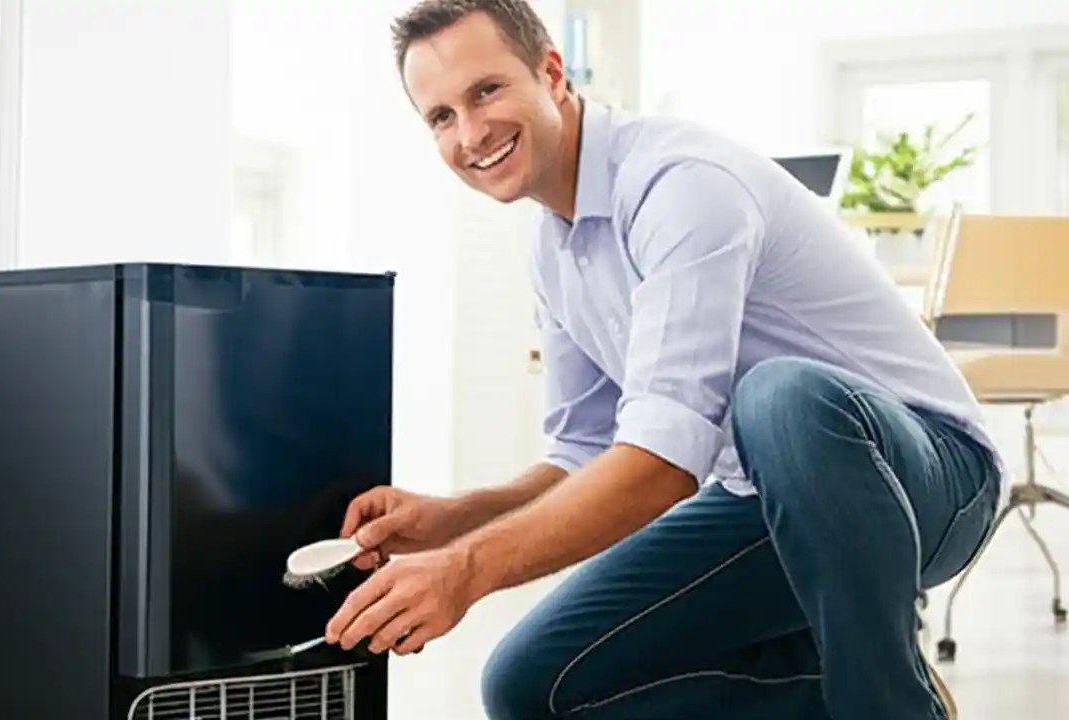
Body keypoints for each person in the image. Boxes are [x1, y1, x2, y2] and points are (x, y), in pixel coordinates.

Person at [322, 1, 1004, 718]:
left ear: (551, 72)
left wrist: (468, 570)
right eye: (441, 116)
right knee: (529, 688)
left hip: (928, 480)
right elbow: (585, 452)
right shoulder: (552, 246)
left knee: (779, 398)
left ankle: (888, 703)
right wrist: (458, 519)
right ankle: (825, 685)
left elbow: (663, 468)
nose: (471, 132)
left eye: (486, 90)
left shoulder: (681, 185)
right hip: (762, 503)